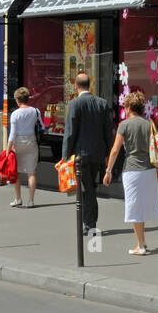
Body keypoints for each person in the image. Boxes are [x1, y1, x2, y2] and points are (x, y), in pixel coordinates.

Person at [104, 91, 158, 255]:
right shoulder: (149, 123)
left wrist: (108, 170)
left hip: (132, 170)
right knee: (141, 207)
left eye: (125, 107)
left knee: (134, 208)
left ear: (129, 107)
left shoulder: (124, 125)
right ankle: (142, 242)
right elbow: (154, 148)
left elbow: (115, 150)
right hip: (149, 169)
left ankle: (140, 246)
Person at [62, 72, 113, 236]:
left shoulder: (75, 104)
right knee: (90, 188)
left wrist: (65, 156)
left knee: (87, 189)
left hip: (81, 155)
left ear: (76, 86)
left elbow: (70, 133)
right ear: (89, 85)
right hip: (98, 154)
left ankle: (90, 224)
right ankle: (90, 222)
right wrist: (108, 152)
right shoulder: (102, 103)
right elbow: (108, 131)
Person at [6, 87, 43, 208]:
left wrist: (7, 150)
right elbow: (42, 126)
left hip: (18, 143)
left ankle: (18, 198)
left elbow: (12, 134)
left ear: (17, 99)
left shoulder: (15, 114)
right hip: (31, 141)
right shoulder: (35, 111)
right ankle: (31, 201)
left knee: (16, 172)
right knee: (31, 173)